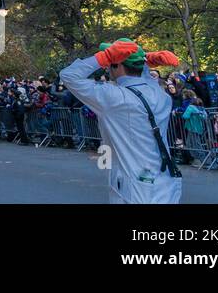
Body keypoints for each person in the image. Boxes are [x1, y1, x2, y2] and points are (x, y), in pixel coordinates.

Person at [60, 39, 182, 203]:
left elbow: (68, 76)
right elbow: (143, 77)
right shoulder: (161, 95)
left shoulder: (114, 98)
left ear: (116, 64)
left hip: (133, 186)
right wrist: (144, 59)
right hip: (166, 181)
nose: (107, 66)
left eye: (110, 62)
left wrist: (103, 57)